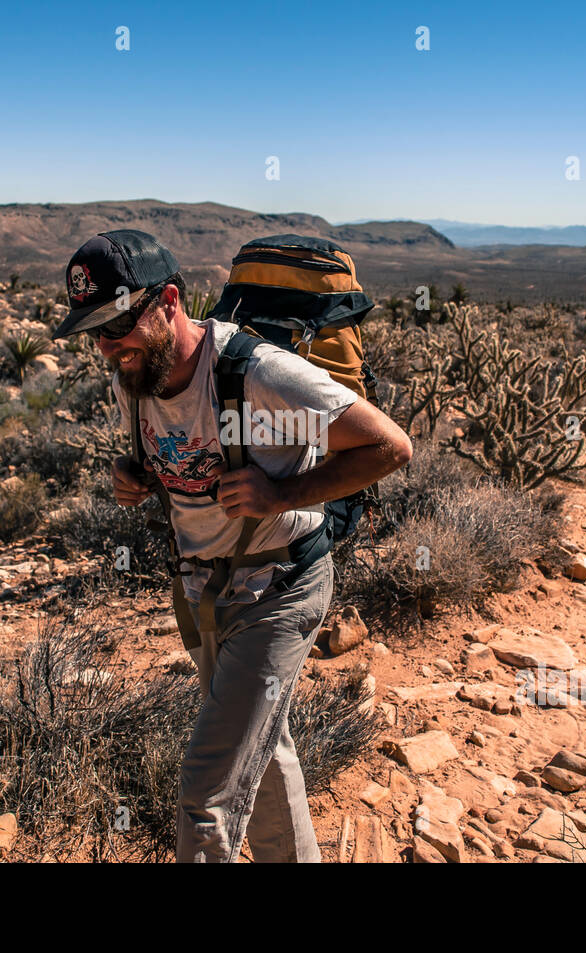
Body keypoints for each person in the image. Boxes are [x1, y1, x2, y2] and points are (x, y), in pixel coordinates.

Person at [54, 229, 412, 862]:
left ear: (167, 301)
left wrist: (281, 495)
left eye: (119, 323)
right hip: (201, 591)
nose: (108, 347)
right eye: (95, 332)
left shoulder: (258, 374)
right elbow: (178, 456)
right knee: (264, 755)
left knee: (205, 793)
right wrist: (136, 476)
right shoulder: (134, 373)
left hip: (279, 589)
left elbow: (389, 446)